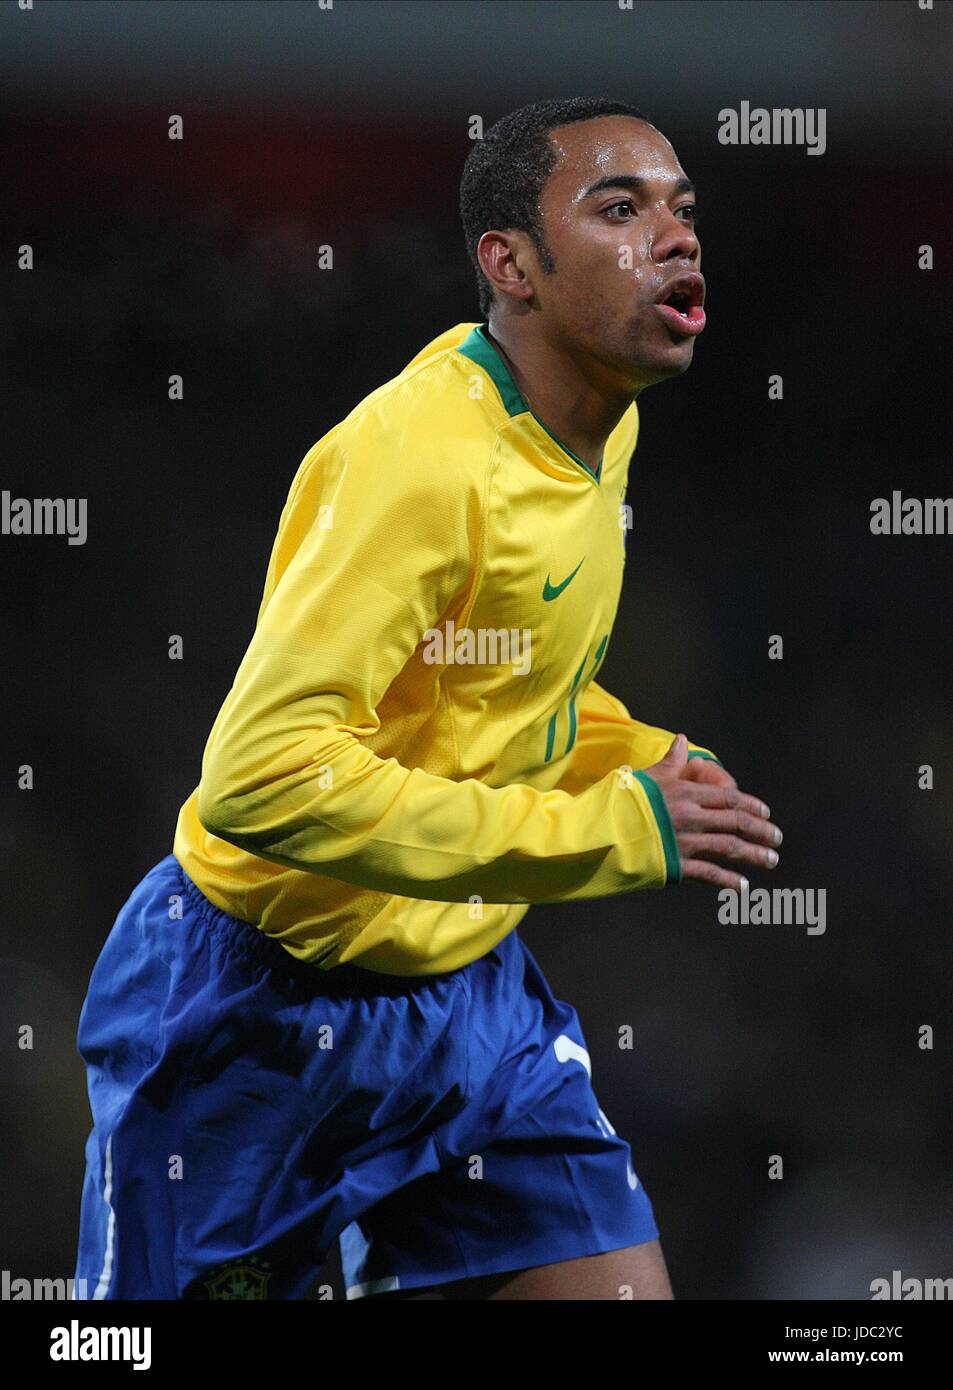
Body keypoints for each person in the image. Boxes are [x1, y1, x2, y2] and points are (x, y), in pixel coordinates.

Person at [74, 96, 782, 1302]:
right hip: (255, 1011)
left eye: (680, 209)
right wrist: (604, 830)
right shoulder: (416, 461)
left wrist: (634, 753)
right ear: (508, 264)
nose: (674, 236)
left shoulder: (594, 428)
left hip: (469, 1002)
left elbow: (488, 677)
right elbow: (263, 774)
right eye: (618, 208)